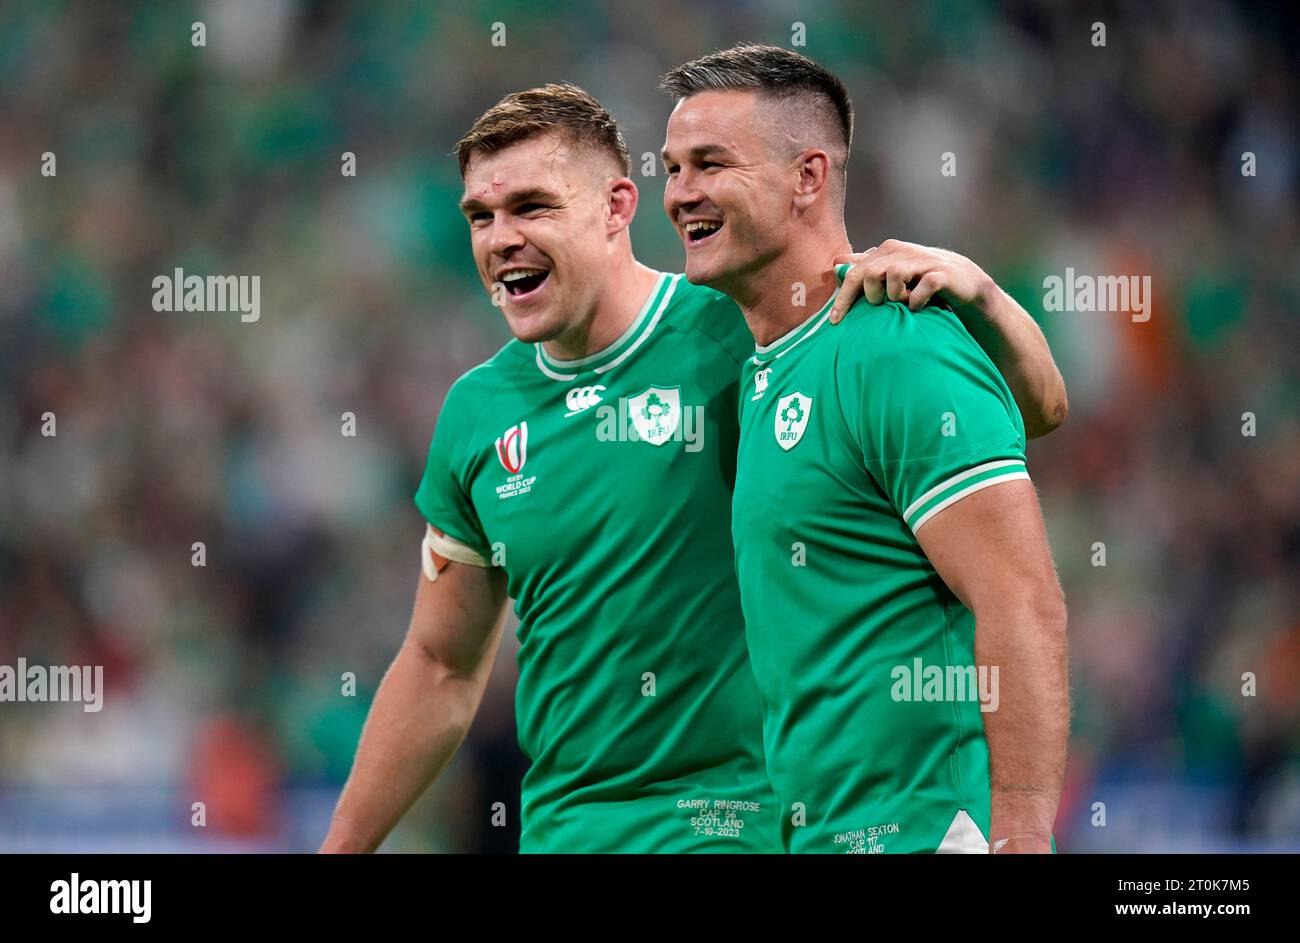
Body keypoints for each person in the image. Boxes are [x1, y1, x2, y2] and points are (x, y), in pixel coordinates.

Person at [321, 81, 1065, 853]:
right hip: (563, 834)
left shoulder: (744, 325)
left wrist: (984, 295)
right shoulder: (477, 414)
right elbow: (440, 664)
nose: (500, 238)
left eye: (532, 207)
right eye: (481, 217)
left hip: (737, 825)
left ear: (616, 207)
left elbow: (1029, 409)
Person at [660, 44, 1070, 853]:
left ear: (808, 177)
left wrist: (1022, 832)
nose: (680, 193)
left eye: (710, 163)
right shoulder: (755, 362)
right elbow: (1043, 408)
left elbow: (1022, 599)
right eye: (673, 169)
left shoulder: (893, 345)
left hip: (924, 832)